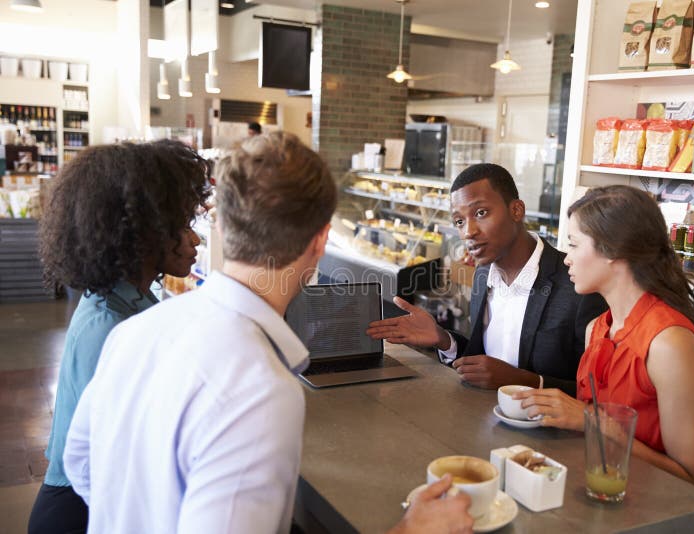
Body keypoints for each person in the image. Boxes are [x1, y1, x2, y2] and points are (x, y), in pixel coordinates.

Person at [62, 132, 473, 533]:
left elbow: (80, 462)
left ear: (221, 227)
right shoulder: (260, 390)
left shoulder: (136, 330)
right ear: (320, 242)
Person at [28, 140, 211, 534]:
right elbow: (111, 458)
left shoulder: (135, 298)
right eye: (181, 226)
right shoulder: (106, 324)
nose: (195, 240)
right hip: (76, 512)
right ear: (143, 231)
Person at [515, 185, 694, 491]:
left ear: (614, 250)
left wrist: (592, 421)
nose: (566, 259)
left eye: (574, 245)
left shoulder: (669, 344)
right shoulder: (596, 329)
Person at [367, 163, 606, 394]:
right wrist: (443, 339)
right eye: (459, 221)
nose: (468, 231)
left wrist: (527, 382)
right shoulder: (483, 276)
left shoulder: (579, 285)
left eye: (480, 213)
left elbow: (600, 394)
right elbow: (483, 366)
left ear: (516, 210)